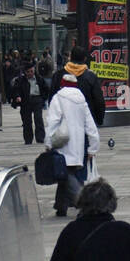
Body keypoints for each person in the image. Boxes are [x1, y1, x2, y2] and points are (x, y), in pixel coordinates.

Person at [44, 71, 100, 218]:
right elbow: (90, 125)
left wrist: (48, 142)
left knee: (67, 174)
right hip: (79, 145)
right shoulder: (81, 100)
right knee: (65, 173)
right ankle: (60, 206)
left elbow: (52, 121)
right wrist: (93, 146)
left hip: (62, 143)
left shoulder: (58, 98)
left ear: (62, 84)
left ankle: (85, 204)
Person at [50, 46, 105, 127]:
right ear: (85, 59)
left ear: (70, 57)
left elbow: (52, 98)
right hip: (85, 120)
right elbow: (99, 100)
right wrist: (99, 119)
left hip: (64, 121)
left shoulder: (58, 75)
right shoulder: (91, 77)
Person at [14, 60, 49, 145]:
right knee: (27, 121)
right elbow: (16, 89)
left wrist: (43, 99)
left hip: (37, 99)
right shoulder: (21, 80)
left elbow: (46, 89)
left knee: (38, 119)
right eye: (28, 72)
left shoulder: (39, 79)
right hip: (26, 100)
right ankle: (28, 139)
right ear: (25, 72)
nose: (30, 73)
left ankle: (40, 138)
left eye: (32, 71)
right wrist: (18, 97)